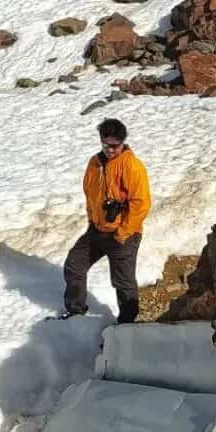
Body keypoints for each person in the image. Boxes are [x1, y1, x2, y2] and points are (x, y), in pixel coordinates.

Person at [60, 118, 151, 323]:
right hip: (97, 229)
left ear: (122, 142)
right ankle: (75, 312)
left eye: (114, 145)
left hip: (123, 234)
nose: (110, 150)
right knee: (74, 265)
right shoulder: (95, 163)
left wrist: (123, 232)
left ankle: (127, 324)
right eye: (105, 144)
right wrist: (93, 220)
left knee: (122, 282)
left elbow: (141, 204)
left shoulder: (132, 166)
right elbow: (89, 192)